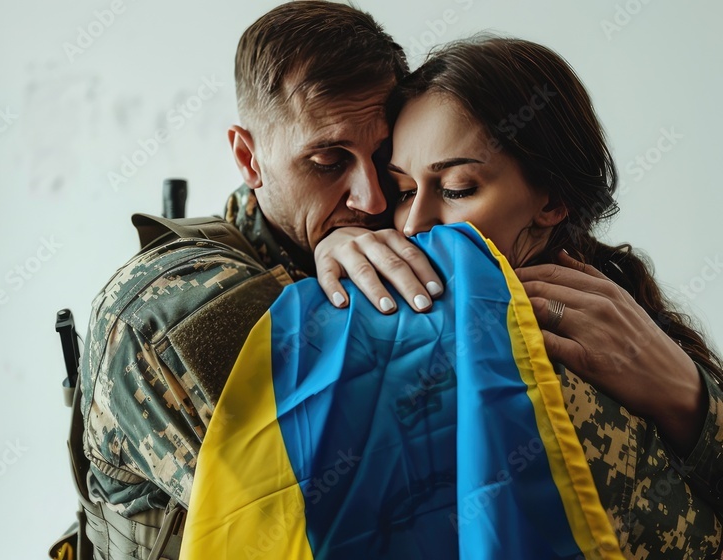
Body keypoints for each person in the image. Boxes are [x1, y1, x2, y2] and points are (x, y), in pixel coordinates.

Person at [314, 36, 723, 557]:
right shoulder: (385, 303)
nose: (414, 224)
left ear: (550, 200)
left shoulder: (595, 337)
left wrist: (687, 398)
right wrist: (334, 247)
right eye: (403, 191)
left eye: (458, 188)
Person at [74, 3, 441, 559]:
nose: (371, 198)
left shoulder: (411, 231)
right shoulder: (176, 307)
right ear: (250, 158)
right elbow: (365, 531)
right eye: (327, 161)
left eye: (385, 156)